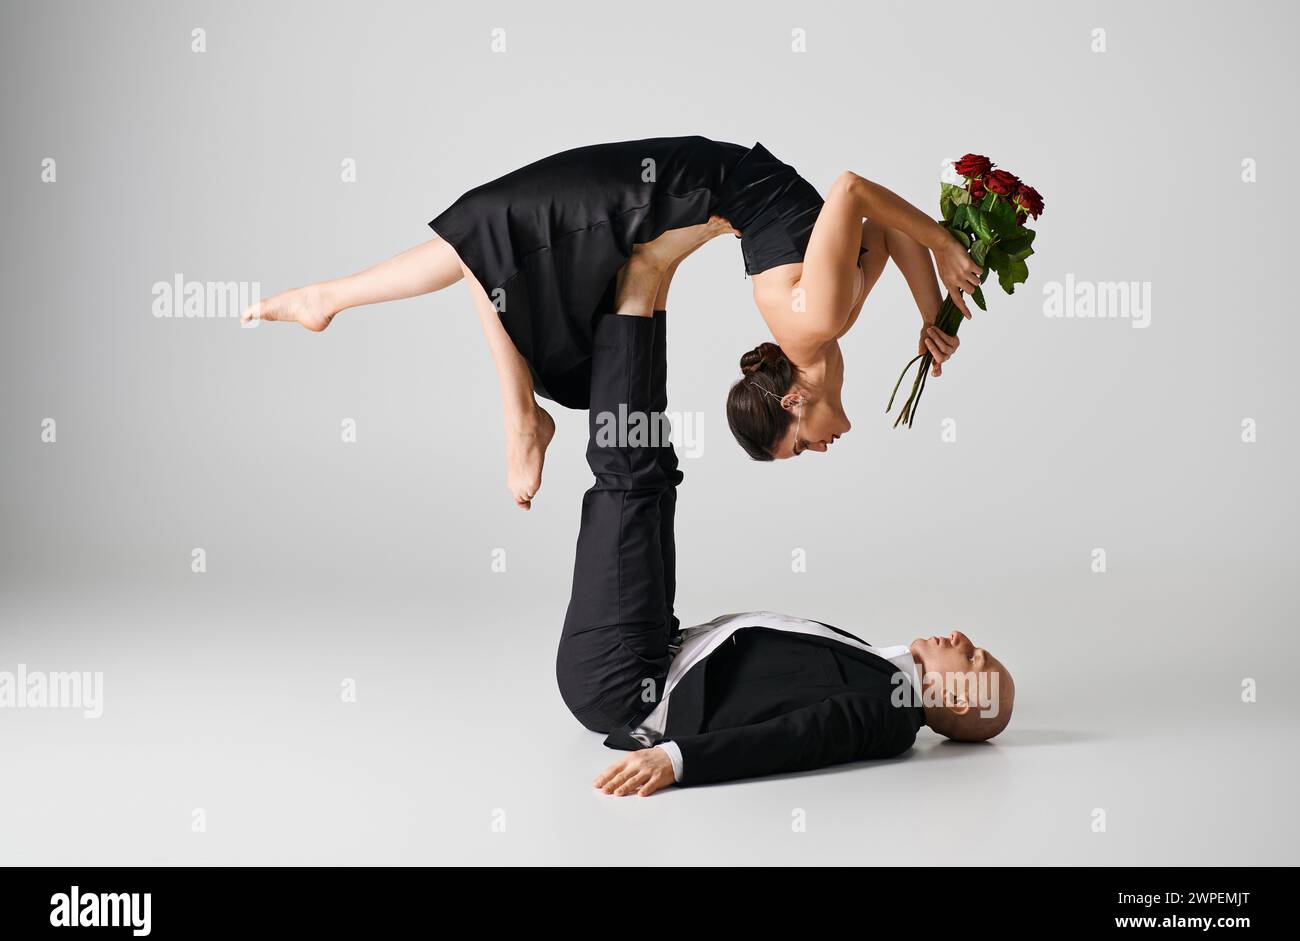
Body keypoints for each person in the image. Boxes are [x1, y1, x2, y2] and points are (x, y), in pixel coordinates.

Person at [242, 137, 979, 505]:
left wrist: (929, 301)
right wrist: (940, 271)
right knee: (492, 230)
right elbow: (859, 197)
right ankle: (514, 413)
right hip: (680, 183)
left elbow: (879, 229)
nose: (814, 451)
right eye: (798, 450)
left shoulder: (820, 322)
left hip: (679, 190)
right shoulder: (819, 321)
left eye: (797, 452)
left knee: (495, 233)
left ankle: (330, 303)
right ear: (793, 402)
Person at [558, 258, 1014, 798]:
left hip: (625, 682)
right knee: (652, 480)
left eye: (972, 655)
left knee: (630, 481)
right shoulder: (879, 668)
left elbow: (793, 739)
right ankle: (648, 288)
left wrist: (678, 761)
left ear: (963, 700)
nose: (962, 638)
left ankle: (638, 282)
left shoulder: (886, 715)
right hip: (656, 649)